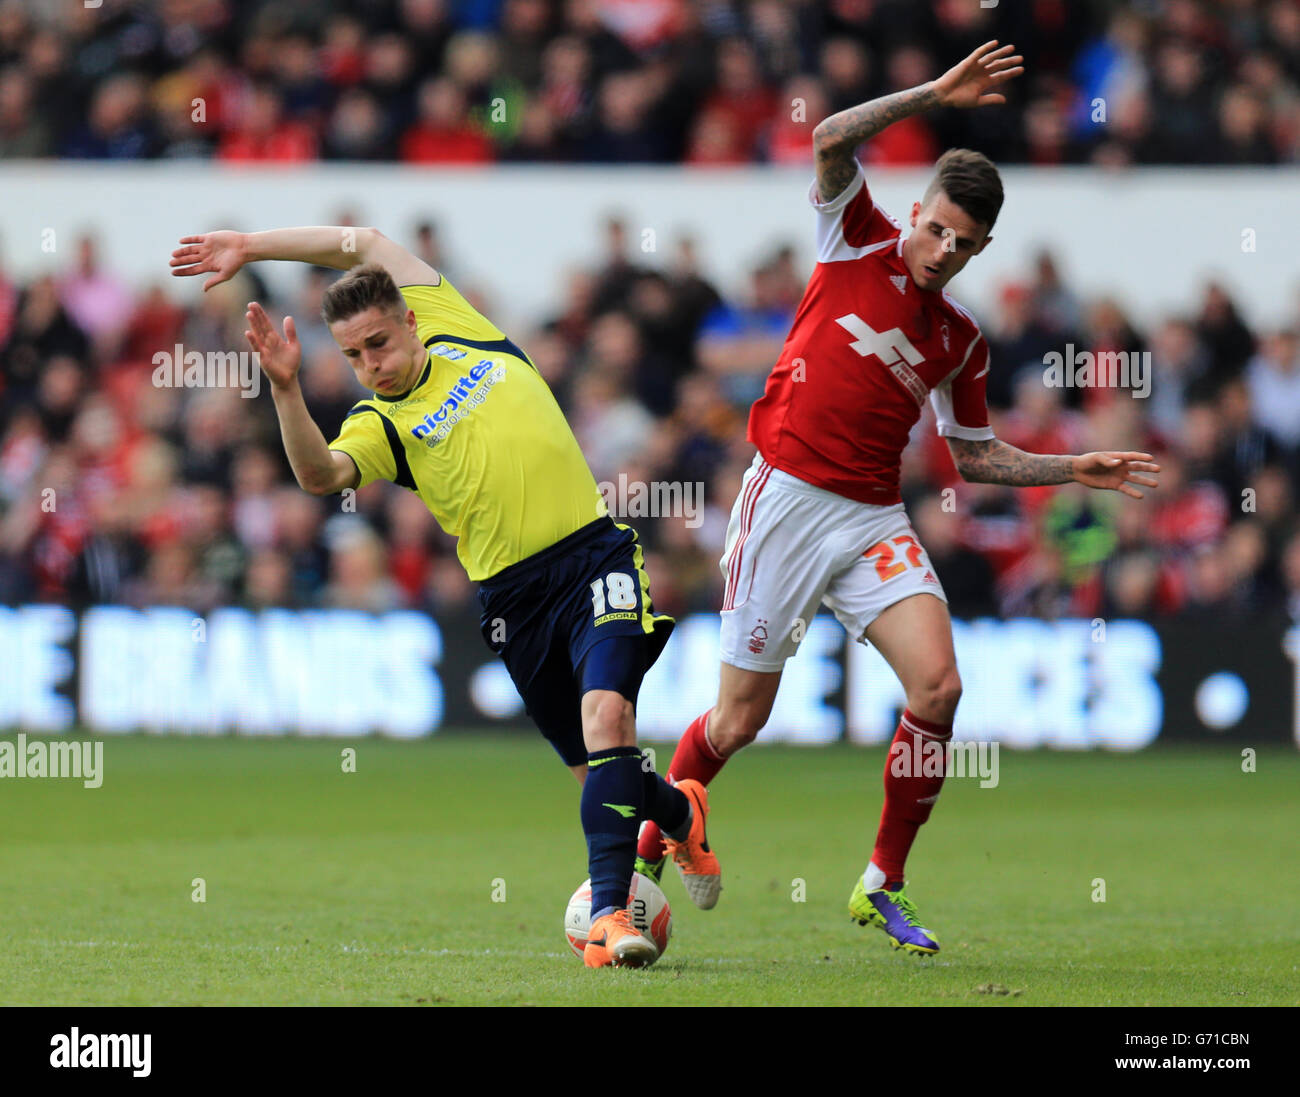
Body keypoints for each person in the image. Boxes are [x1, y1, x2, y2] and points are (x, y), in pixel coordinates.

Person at [633, 41, 1159, 954]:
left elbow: (976, 457)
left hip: (872, 516)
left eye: (965, 244)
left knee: (940, 686)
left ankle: (881, 881)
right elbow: (831, 137)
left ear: (982, 249)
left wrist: (1074, 467)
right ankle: (641, 858)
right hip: (788, 499)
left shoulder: (960, 338)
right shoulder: (856, 237)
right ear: (915, 212)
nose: (943, 251)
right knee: (737, 720)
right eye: (937, 229)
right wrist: (933, 93)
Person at [170, 225, 720, 967]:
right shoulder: (380, 422)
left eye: (379, 343)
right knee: (598, 767)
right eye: (355, 355)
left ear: (412, 319)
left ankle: (610, 914)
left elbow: (362, 240)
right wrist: (287, 387)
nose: (371, 365)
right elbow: (320, 476)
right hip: (514, 603)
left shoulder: (462, 325)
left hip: (595, 556)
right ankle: (681, 809)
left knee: (607, 713)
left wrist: (253, 246)